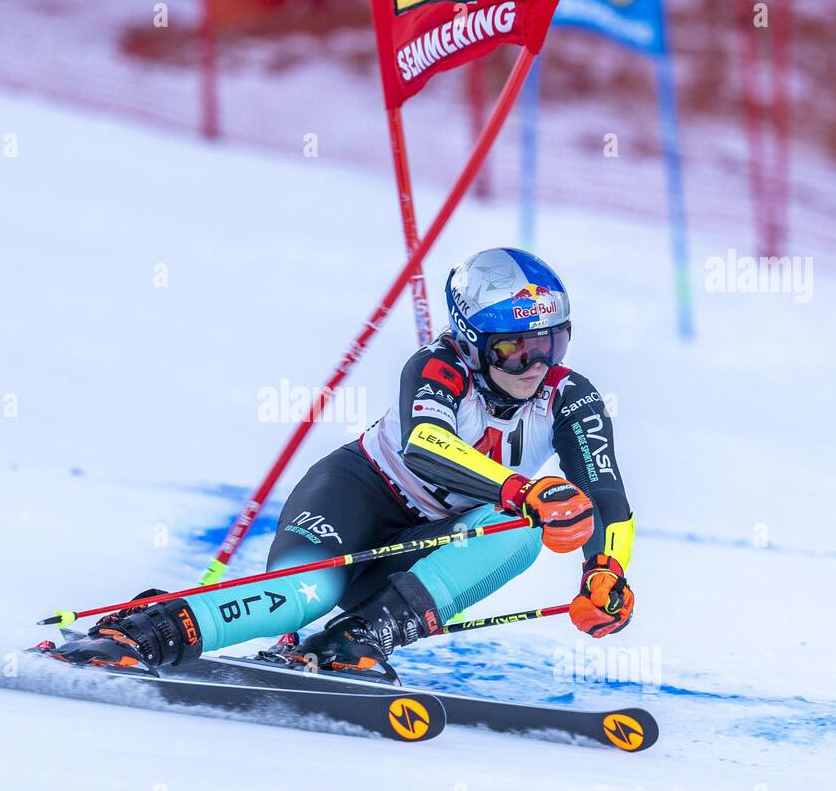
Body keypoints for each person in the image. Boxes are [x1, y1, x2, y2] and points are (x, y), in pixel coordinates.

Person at [55, 247, 635, 678]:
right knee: (306, 593)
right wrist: (521, 491)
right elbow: (426, 446)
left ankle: (350, 641)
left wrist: (605, 573)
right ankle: (142, 630)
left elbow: (606, 495)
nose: (535, 362)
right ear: (473, 339)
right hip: (357, 496)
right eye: (515, 346)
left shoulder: (569, 396)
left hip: (431, 539)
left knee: (523, 534)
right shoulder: (439, 366)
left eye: (551, 342)